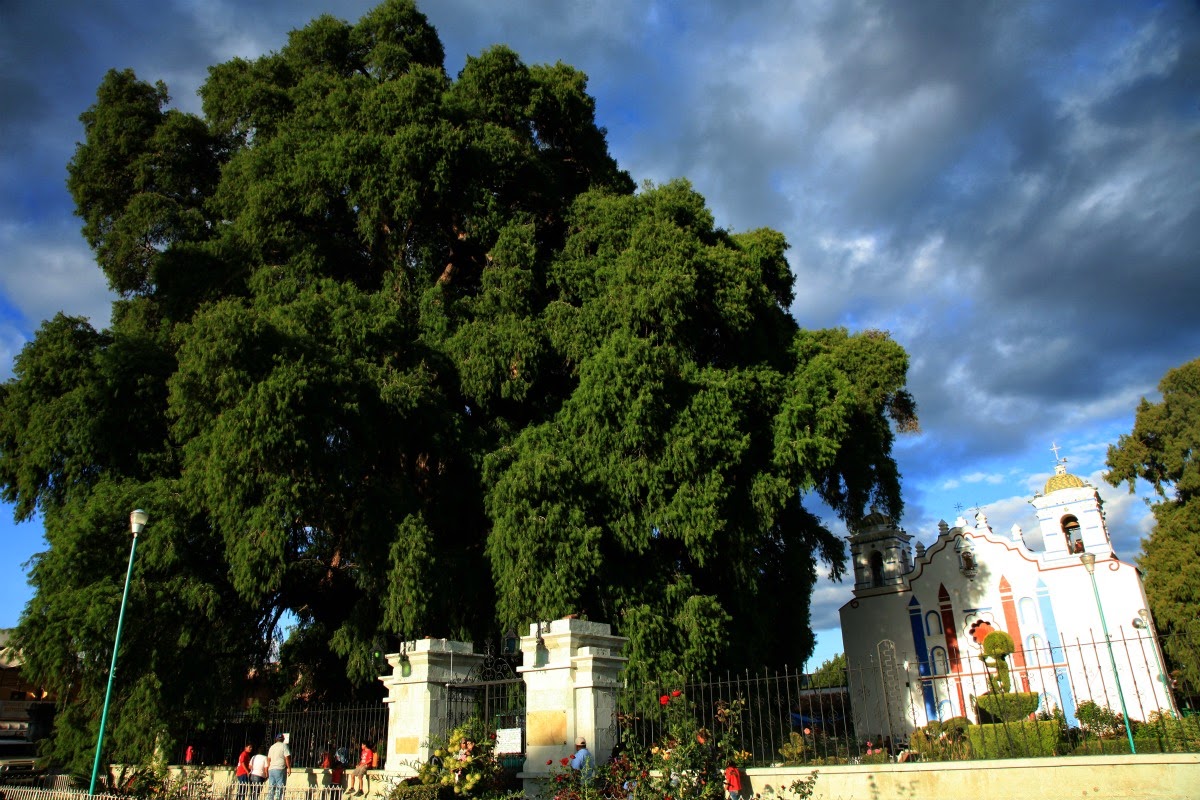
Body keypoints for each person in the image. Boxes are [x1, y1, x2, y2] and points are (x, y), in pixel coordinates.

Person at [267, 734, 292, 800]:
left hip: (271, 769)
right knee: (280, 788)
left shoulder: (272, 747)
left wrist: (268, 769)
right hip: (280, 768)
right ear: (283, 739)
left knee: (271, 788)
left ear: (276, 739)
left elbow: (269, 759)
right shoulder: (284, 746)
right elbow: (287, 757)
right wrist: (289, 768)